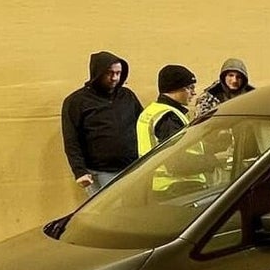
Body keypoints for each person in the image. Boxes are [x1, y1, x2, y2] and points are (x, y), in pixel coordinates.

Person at [60, 51, 143, 196]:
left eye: (118, 73)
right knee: (110, 216)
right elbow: (71, 140)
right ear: (97, 73)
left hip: (133, 168)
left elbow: (142, 124)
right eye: (109, 73)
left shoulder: (127, 96)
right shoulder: (76, 102)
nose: (114, 78)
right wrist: (79, 171)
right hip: (100, 173)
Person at [137, 65, 197, 153]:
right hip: (173, 167)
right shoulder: (168, 116)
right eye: (190, 88)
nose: (194, 93)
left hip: (151, 166)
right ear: (174, 88)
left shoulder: (152, 110)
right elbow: (177, 153)